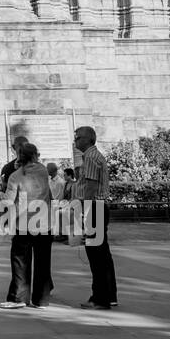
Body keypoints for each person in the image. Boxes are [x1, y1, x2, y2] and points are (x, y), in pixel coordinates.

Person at [0, 143, 53, 309]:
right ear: (36, 155)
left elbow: (8, 201)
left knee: (20, 261)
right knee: (43, 261)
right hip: (44, 221)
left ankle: (19, 297)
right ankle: (41, 300)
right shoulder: (44, 171)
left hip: (23, 223)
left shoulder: (15, 176)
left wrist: (1, 193)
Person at [74, 125, 118, 309]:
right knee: (103, 254)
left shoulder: (91, 157)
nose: (75, 140)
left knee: (96, 255)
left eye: (78, 137)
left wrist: (84, 211)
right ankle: (109, 295)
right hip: (99, 207)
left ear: (88, 139)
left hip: (93, 208)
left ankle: (100, 298)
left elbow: (91, 187)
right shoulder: (95, 155)